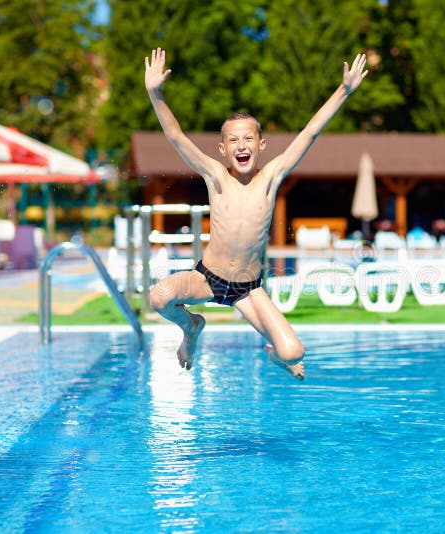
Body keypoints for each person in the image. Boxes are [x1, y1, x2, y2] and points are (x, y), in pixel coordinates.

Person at [144, 47, 368, 380]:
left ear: (262, 144)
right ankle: (191, 327)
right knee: (158, 297)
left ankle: (277, 356)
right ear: (223, 149)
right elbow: (175, 136)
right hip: (207, 279)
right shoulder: (215, 175)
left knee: (294, 352)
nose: (241, 145)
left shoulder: (271, 177)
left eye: (249, 138)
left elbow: (309, 133)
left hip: (248, 289)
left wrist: (343, 91)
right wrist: (155, 93)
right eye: (233, 140)